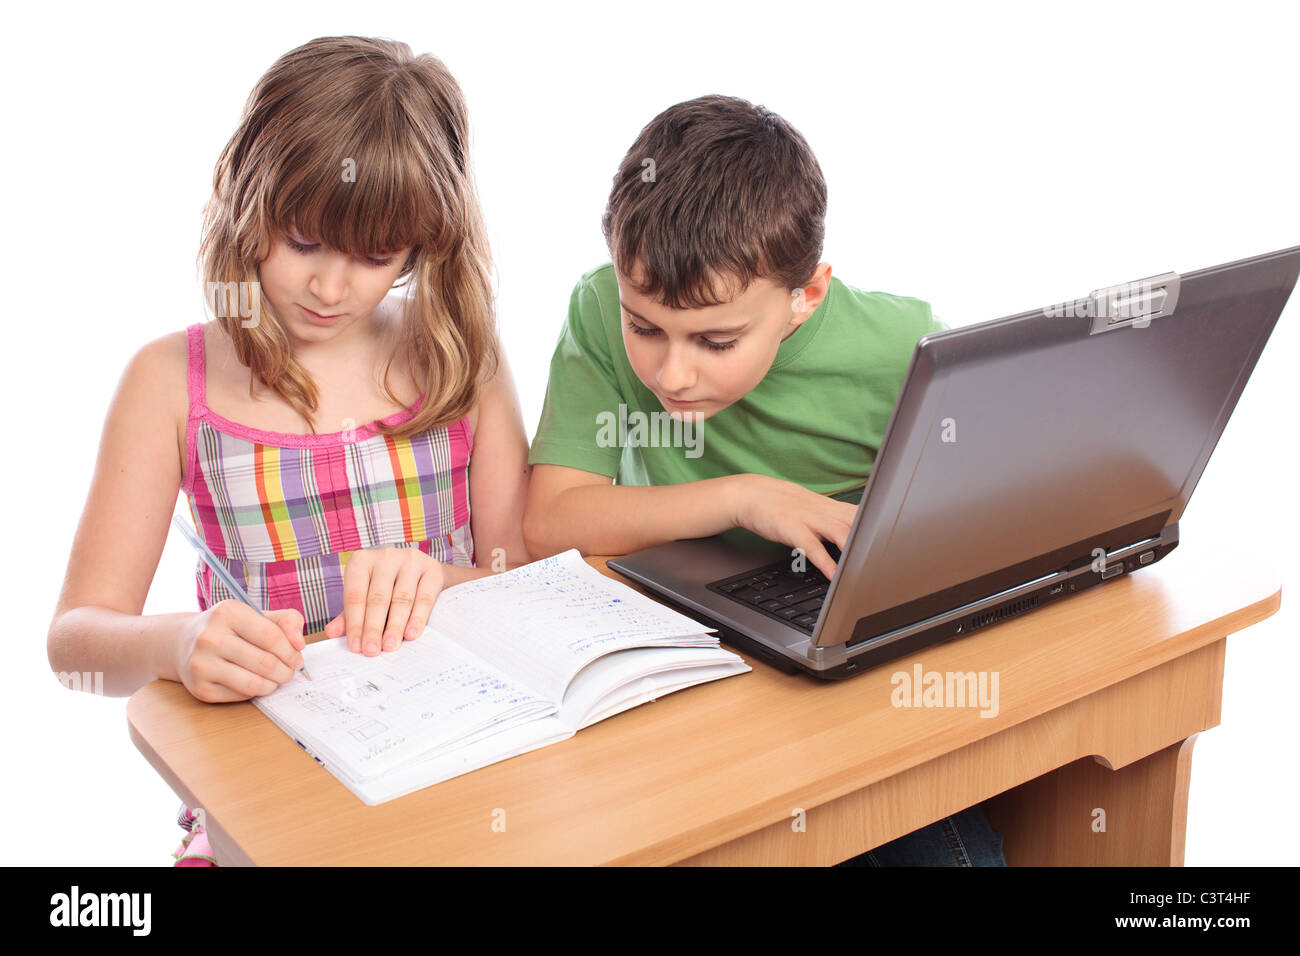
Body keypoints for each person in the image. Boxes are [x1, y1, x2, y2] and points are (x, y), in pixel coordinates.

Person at [46, 36, 531, 864]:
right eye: (303, 241)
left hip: (455, 767)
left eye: (377, 257)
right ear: (246, 194)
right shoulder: (171, 382)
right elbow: (75, 645)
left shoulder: (458, 358)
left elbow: (523, 590)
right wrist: (178, 644)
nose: (330, 288)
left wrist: (442, 580)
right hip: (262, 797)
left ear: (422, 248)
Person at [523, 94, 1004, 866]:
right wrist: (743, 495)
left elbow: (989, 510)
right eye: (644, 326)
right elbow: (550, 520)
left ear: (804, 296)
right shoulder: (593, 307)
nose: (670, 373)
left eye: (716, 341)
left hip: (855, 659)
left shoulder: (905, 347)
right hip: (689, 648)